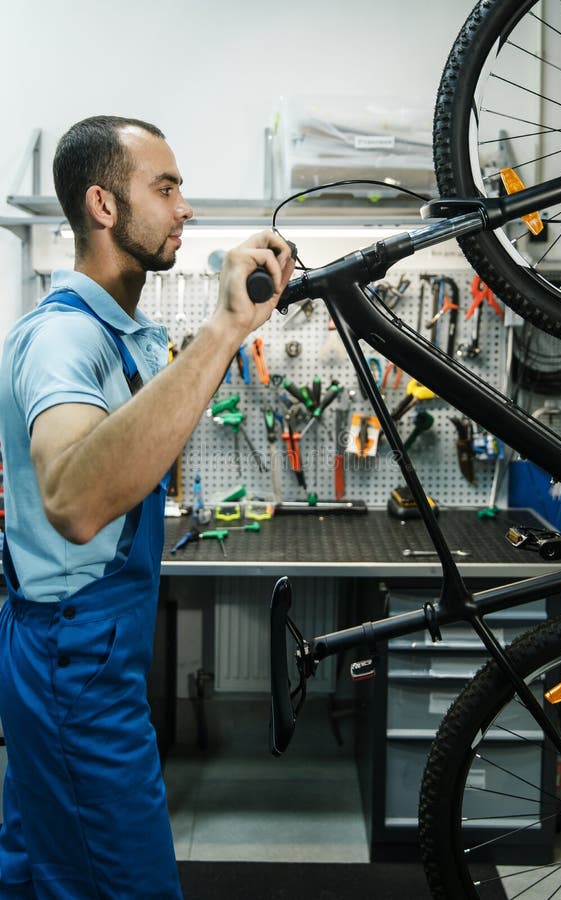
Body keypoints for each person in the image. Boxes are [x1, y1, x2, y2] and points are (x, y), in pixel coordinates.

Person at [0, 115, 294, 899]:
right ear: (103, 205)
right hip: (75, 661)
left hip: (84, 644)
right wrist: (227, 328)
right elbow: (72, 499)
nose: (184, 208)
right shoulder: (64, 338)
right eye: (165, 189)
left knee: (37, 870)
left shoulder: (124, 334)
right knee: (128, 883)